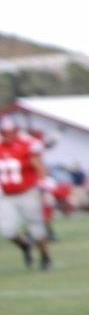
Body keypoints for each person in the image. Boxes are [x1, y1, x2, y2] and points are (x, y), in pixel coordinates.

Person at [0, 115, 53, 270]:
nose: (8, 135)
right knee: (6, 230)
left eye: (11, 132)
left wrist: (43, 186)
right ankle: (25, 245)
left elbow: (39, 165)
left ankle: (45, 257)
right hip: (7, 196)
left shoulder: (27, 143)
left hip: (28, 191)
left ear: (17, 131)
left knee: (37, 229)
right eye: (4, 132)